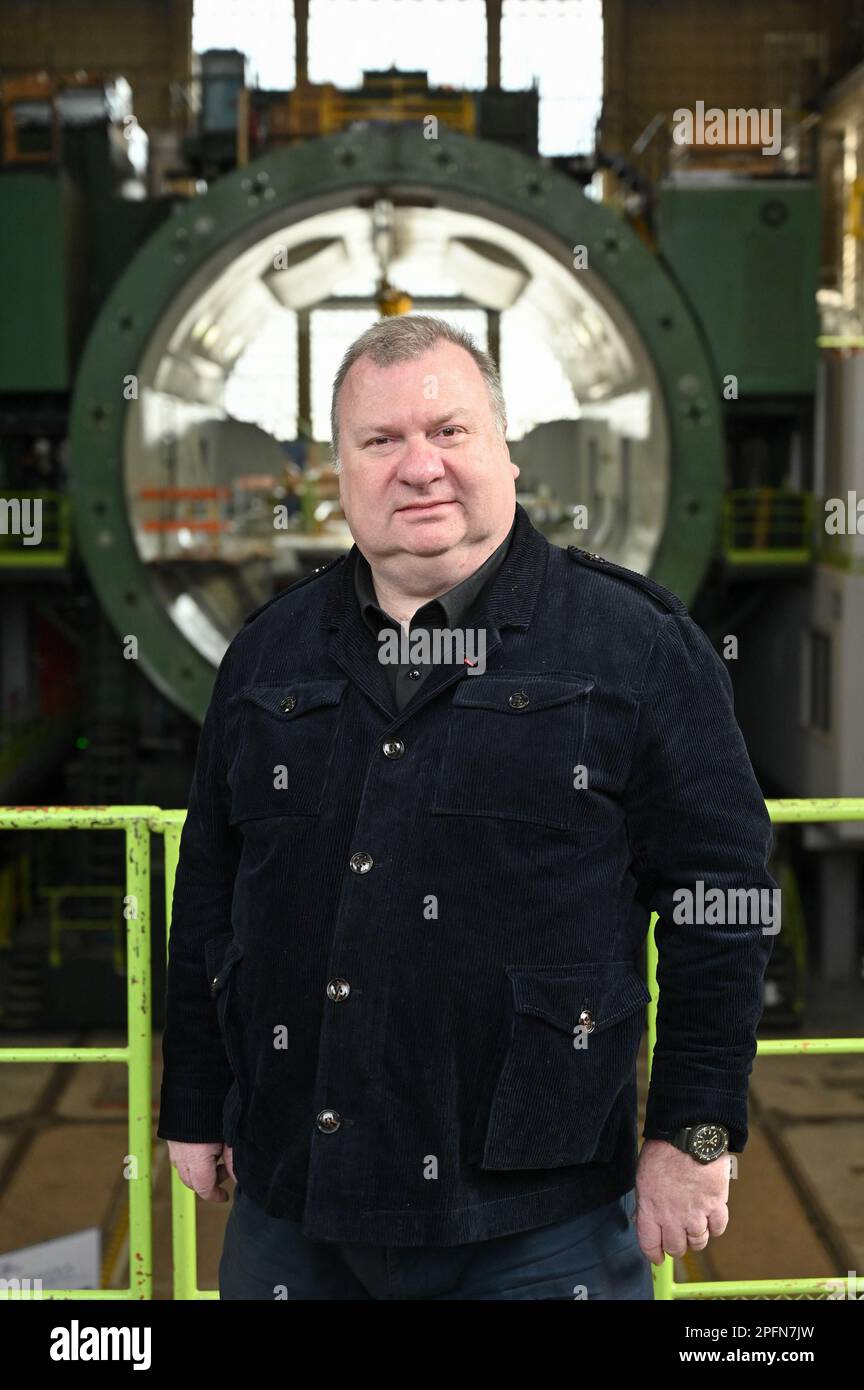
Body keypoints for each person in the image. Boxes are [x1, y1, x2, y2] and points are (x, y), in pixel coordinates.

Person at [157, 314, 777, 1301]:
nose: (420, 467)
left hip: (538, 1221)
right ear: (340, 472)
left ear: (508, 454)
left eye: (450, 432)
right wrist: (192, 1100)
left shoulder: (636, 645)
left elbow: (724, 905)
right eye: (381, 440)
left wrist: (694, 1133)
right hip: (294, 1202)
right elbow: (210, 894)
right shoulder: (267, 656)